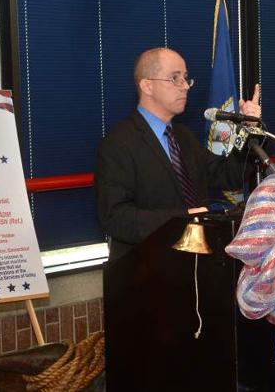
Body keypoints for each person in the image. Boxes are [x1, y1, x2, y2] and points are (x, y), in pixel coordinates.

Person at [95, 47, 260, 260]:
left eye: (185, 78)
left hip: (193, 264)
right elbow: (115, 217)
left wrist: (249, 129)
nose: (184, 87)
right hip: (144, 268)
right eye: (174, 78)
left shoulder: (184, 137)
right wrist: (181, 219)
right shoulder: (118, 143)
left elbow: (229, 175)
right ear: (147, 85)